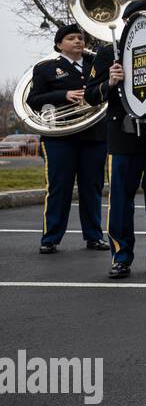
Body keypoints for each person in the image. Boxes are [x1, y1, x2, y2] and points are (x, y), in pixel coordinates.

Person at [84, 0, 146, 279]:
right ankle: (121, 256)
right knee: (120, 202)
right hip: (124, 138)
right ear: (128, 22)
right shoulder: (108, 53)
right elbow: (90, 95)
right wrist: (110, 82)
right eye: (140, 18)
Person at [27, 24, 109, 254]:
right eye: (71, 38)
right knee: (59, 187)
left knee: (92, 187)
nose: (78, 41)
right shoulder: (46, 69)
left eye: (80, 38)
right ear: (59, 44)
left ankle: (94, 236)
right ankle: (50, 238)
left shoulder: (97, 65)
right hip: (60, 138)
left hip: (93, 135)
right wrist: (64, 95)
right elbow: (33, 100)